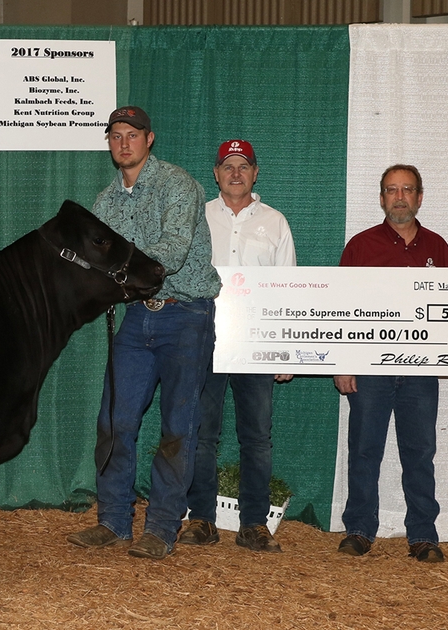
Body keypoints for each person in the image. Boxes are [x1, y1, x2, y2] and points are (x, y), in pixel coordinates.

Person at [66, 106, 221, 559]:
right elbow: (90, 258)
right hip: (137, 315)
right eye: (115, 135)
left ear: (149, 139)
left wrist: (112, 270)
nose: (123, 143)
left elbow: (170, 254)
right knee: (114, 420)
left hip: (186, 314)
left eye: (132, 135)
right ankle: (114, 521)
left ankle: (162, 528)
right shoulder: (105, 201)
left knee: (178, 426)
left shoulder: (178, 184)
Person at [333, 164, 448, 563]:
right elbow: (340, 309)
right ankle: (359, 529)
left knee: (419, 453)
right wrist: (343, 363)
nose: (399, 197)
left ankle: (423, 534)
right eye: (391, 189)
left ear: (419, 197)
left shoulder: (438, 248)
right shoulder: (361, 246)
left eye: (407, 189)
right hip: (369, 369)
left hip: (420, 371)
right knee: (364, 450)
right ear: (381, 197)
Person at [181, 140, 296, 553]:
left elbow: (287, 287)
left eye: (243, 166)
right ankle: (202, 519)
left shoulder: (275, 222)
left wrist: (285, 349)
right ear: (215, 173)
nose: (235, 173)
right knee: (201, 433)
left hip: (257, 342)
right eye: (227, 166)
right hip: (203, 339)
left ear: (255, 173)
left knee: (257, 437)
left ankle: (253, 524)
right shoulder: (196, 216)